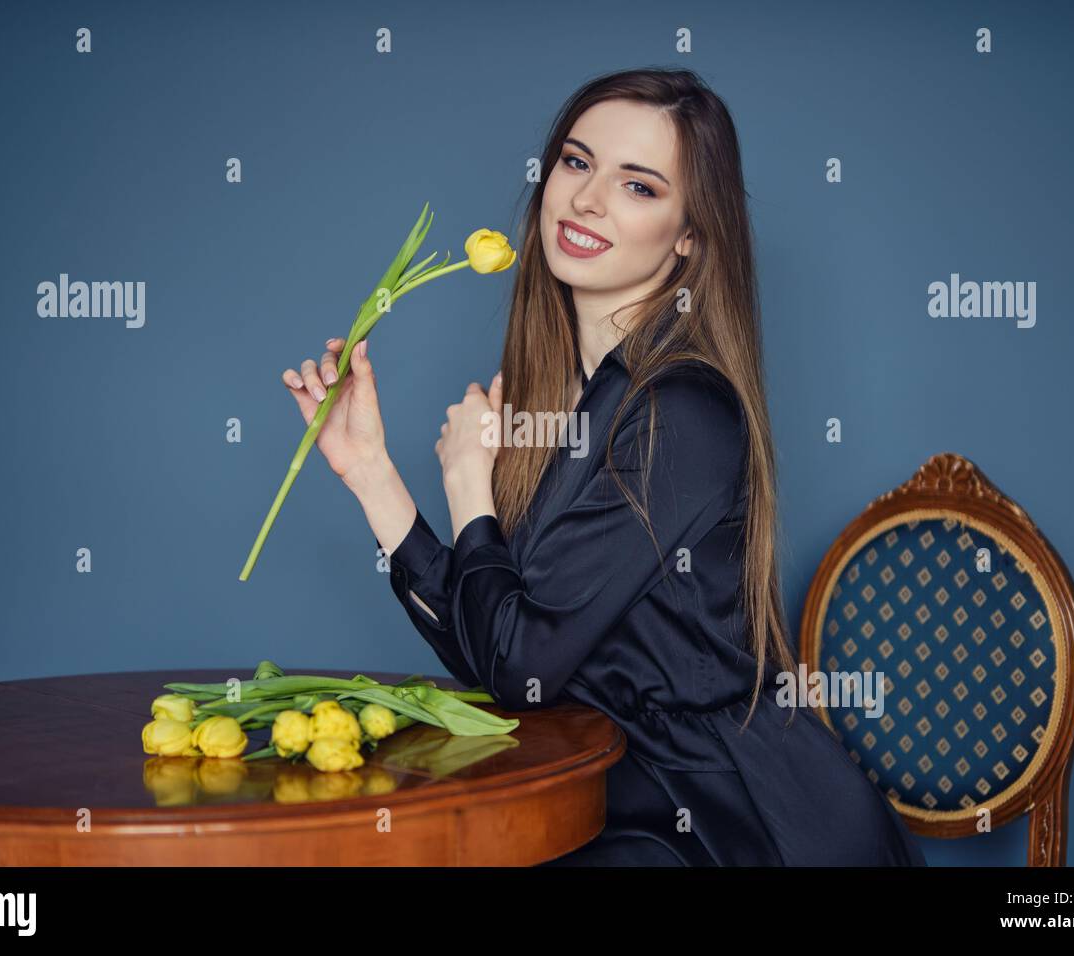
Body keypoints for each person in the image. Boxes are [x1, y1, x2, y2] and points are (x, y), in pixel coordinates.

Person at [281, 68, 926, 866]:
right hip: (618, 791)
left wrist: (465, 483)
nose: (587, 200)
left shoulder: (679, 411)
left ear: (690, 234)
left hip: (725, 820)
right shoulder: (578, 403)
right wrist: (372, 474)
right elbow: (503, 651)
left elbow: (518, 676)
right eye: (578, 163)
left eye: (640, 186)